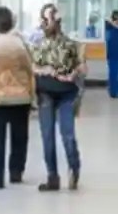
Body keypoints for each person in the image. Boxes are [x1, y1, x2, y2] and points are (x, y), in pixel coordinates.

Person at [0, 7, 35, 189]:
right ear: (12, 22)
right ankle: (16, 172)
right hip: (20, 98)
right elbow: (29, 68)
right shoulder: (20, 44)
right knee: (20, 137)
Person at [33, 17, 83, 191]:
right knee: (48, 135)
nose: (47, 24)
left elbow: (80, 67)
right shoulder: (38, 44)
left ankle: (74, 167)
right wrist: (44, 70)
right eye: (44, 20)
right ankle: (52, 176)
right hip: (45, 91)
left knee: (67, 133)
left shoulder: (70, 44)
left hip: (66, 93)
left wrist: (72, 75)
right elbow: (32, 66)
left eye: (50, 20)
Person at [104, 10, 118, 99]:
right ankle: (117, 92)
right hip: (117, 55)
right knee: (117, 74)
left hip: (112, 56)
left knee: (113, 73)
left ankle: (113, 91)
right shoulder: (117, 31)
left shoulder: (109, 30)